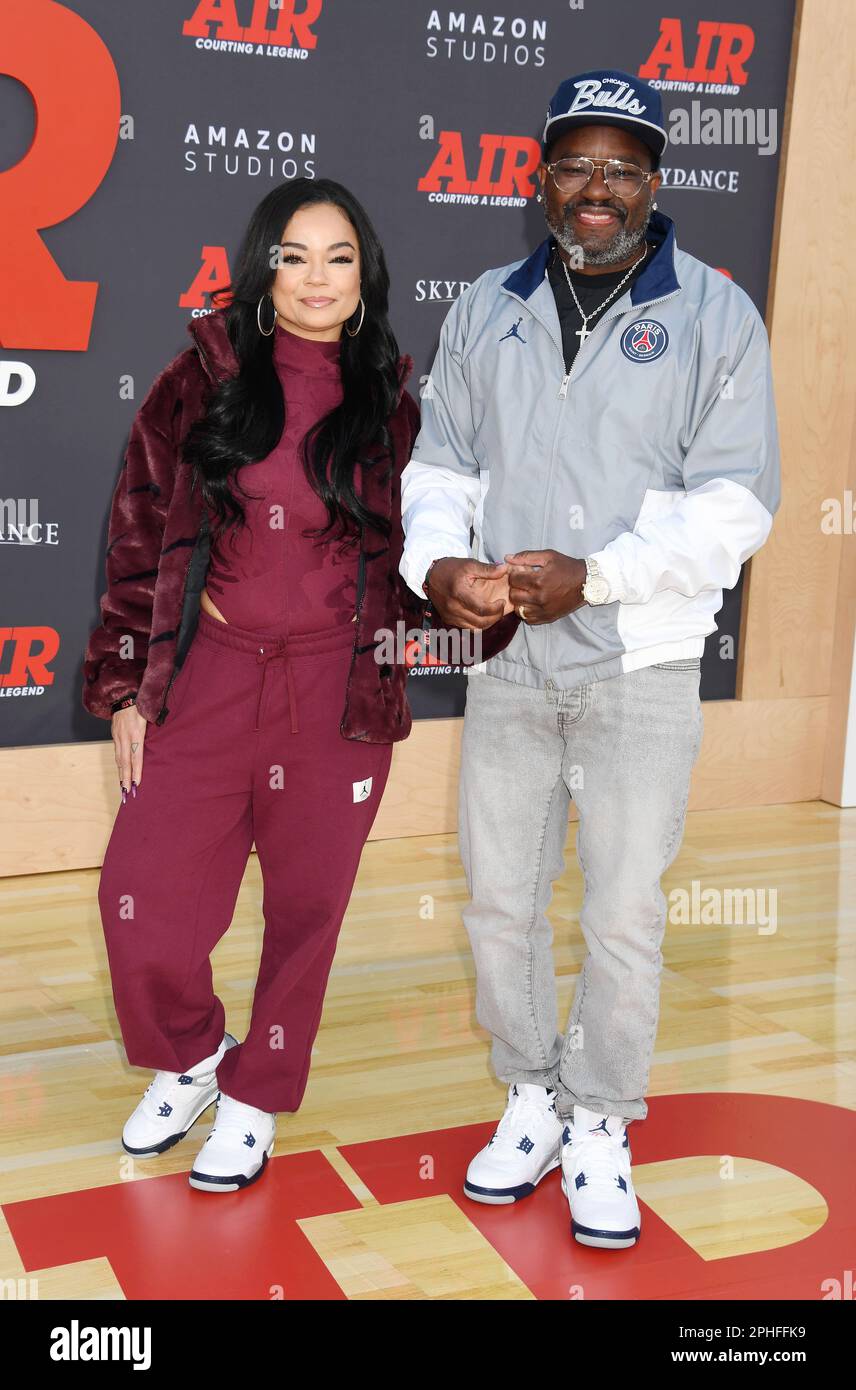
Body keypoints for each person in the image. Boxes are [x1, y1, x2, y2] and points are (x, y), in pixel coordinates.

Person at [399, 70, 780, 1248]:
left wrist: (597, 576)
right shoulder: (490, 306)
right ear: (540, 178)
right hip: (510, 664)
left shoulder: (716, 314)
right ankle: (530, 1094)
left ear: (654, 181)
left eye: (622, 167)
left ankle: (602, 1117)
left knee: (619, 909)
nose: (597, 188)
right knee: (500, 901)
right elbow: (440, 468)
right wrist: (437, 565)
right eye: (575, 164)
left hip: (638, 663)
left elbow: (735, 505)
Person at [83, 179, 427, 1193]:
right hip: (211, 679)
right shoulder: (199, 381)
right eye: (294, 256)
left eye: (338, 258)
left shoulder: (394, 406)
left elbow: (429, 555)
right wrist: (126, 685)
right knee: (139, 900)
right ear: (262, 268)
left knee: (307, 911)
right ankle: (192, 1054)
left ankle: (257, 1092)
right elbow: (138, 536)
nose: (317, 278)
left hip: (337, 696)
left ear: (364, 276)